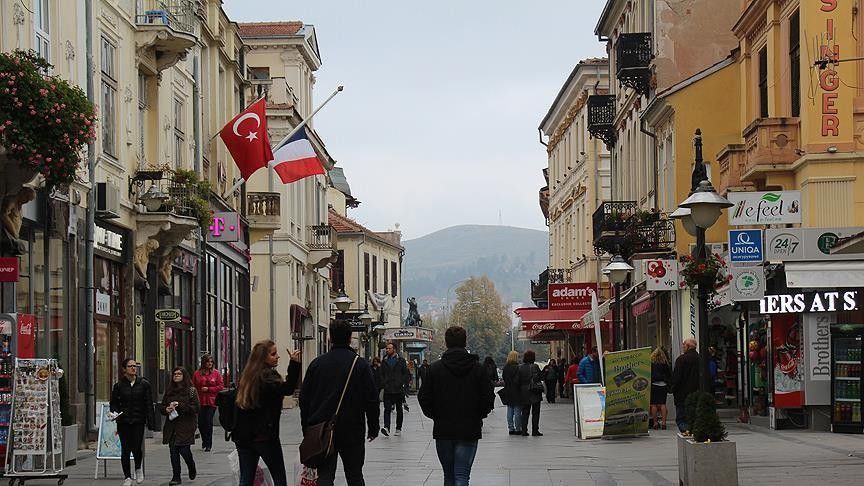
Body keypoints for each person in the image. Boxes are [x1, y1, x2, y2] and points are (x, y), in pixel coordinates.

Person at [300, 320, 379, 486]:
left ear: (330, 337)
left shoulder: (316, 364)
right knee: (355, 475)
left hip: (322, 428)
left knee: (325, 476)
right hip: (352, 428)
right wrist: (373, 426)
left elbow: (304, 399)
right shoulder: (360, 365)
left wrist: (307, 427)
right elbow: (371, 399)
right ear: (350, 338)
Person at [418, 326, 494, 486]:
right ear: (465, 342)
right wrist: (478, 414)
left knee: (449, 475)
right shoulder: (478, 369)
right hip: (469, 428)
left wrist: (436, 415)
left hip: (444, 428)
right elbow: (488, 398)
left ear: (446, 343)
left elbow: (424, 397)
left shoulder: (435, 369)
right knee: (462, 475)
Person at [232, 340, 301, 486]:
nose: (277, 357)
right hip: (265, 436)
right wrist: (294, 363)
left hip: (244, 437)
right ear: (263, 358)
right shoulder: (267, 378)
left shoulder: (247, 377)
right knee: (279, 478)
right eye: (273, 354)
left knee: (246, 478)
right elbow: (288, 389)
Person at [110, 358, 153, 486]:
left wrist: (151, 421)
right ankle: (127, 476)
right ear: (124, 369)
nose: (133, 368)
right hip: (123, 421)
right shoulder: (119, 386)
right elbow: (114, 403)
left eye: (135, 366)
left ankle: (138, 468)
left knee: (136, 446)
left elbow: (148, 403)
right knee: (125, 449)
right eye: (130, 366)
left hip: (138, 420)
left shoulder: (144, 384)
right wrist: (114, 412)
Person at [159, 367, 200, 485]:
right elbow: (162, 406)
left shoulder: (191, 390)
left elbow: (196, 408)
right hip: (172, 425)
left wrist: (180, 405)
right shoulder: (169, 390)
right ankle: (176, 476)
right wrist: (166, 409)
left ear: (184, 376)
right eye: (174, 374)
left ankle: (191, 466)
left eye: (179, 374)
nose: (176, 376)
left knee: (184, 449)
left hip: (186, 425)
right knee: (173, 451)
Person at [192, 354, 224, 452]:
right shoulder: (197, 374)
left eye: (211, 362)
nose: (209, 364)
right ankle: (204, 440)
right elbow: (193, 386)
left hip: (212, 401)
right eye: (208, 362)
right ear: (204, 363)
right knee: (201, 423)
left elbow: (221, 386)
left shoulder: (216, 373)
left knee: (208, 421)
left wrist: (209, 389)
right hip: (200, 401)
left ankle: (209, 444)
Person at [379, 342, 410, 436]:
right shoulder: (384, 361)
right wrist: (384, 383)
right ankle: (387, 427)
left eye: (389, 348)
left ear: (394, 349)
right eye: (387, 349)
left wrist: (401, 383)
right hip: (388, 388)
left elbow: (405, 373)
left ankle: (398, 428)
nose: (387, 350)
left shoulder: (401, 360)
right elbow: (381, 374)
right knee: (387, 409)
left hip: (398, 389)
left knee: (399, 409)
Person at [670, 338, 700, 433]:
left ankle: (686, 432)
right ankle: (692, 430)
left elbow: (677, 377)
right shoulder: (700, 359)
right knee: (693, 415)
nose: (682, 346)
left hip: (682, 393)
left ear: (688, 346)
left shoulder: (681, 359)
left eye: (684, 345)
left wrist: (672, 388)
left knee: (681, 418)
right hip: (696, 392)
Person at [518, 350, 543, 436]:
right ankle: (535, 430)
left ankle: (524, 430)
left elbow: (517, 380)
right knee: (536, 412)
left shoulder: (520, 367)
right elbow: (540, 377)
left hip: (524, 392)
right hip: (535, 391)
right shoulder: (535, 366)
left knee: (525, 412)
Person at [501, 350, 523, 435]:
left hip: (508, 390)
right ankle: (518, 428)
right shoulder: (518, 367)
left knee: (510, 410)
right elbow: (519, 380)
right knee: (517, 410)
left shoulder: (505, 368)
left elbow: (504, 378)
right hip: (517, 390)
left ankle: (511, 428)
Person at [649, 347, 671, 430]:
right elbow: (669, 374)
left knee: (654, 404)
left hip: (654, 384)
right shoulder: (665, 363)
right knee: (663, 404)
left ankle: (655, 423)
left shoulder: (651, 363)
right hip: (663, 385)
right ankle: (664, 423)